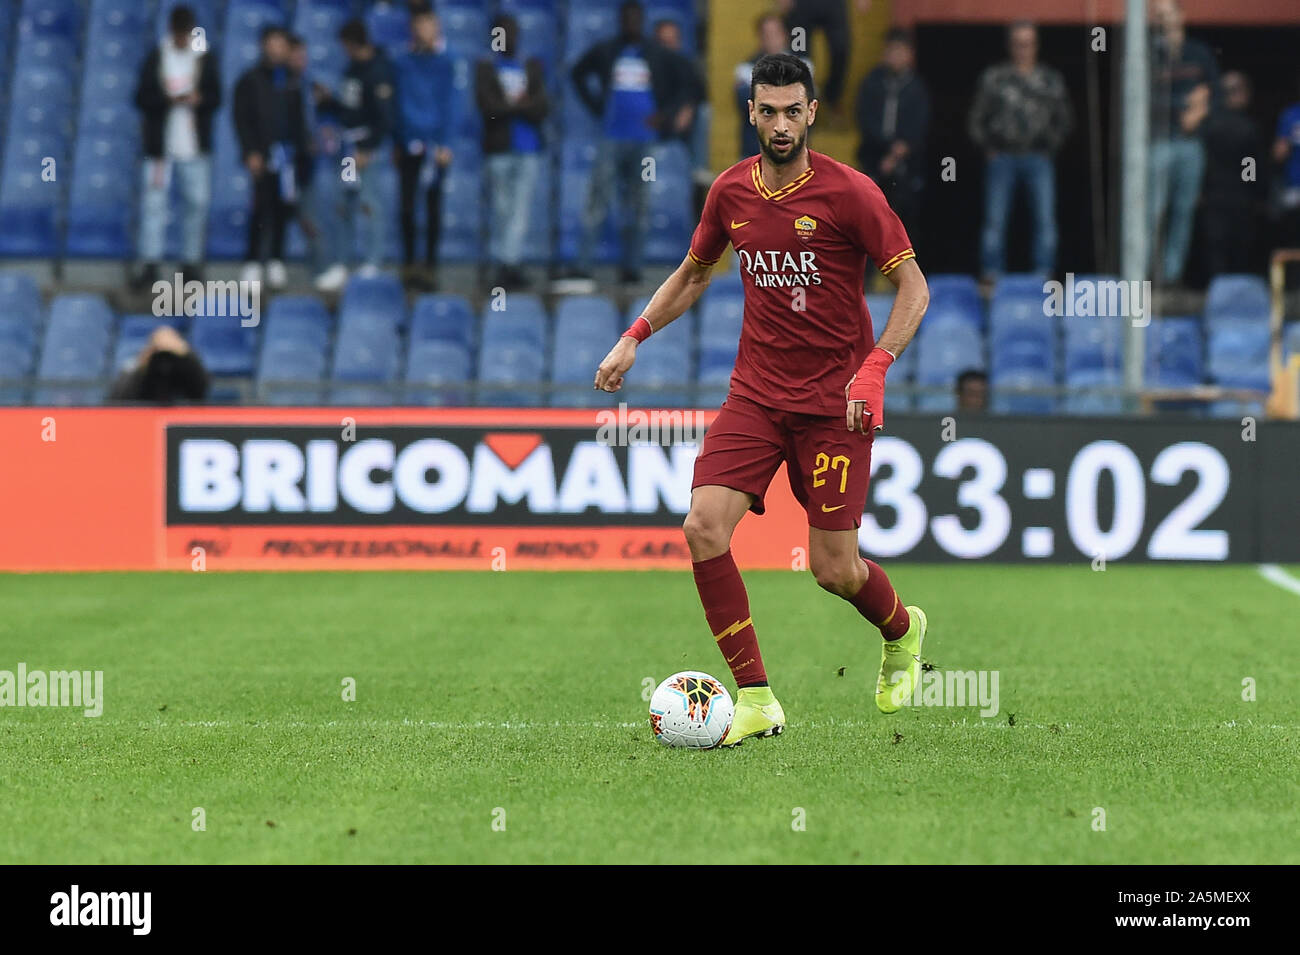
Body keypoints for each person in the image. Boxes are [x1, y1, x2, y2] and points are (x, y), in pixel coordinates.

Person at [593, 54, 931, 746]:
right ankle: (756, 697)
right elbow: (694, 273)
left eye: (792, 110)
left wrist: (876, 367)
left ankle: (902, 629)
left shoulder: (852, 194)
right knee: (702, 527)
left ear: (812, 113)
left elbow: (914, 287)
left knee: (835, 570)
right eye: (767, 110)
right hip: (756, 393)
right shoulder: (730, 193)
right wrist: (635, 334)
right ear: (751, 113)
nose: (780, 124)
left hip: (836, 403)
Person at [568, 0, 689, 286]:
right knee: (597, 202)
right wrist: (598, 106)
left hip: (644, 142)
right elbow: (577, 74)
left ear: (642, 21)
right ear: (621, 21)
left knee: (639, 205)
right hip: (612, 138)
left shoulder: (656, 53)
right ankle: (584, 266)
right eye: (626, 18)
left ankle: (632, 268)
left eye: (636, 18)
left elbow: (686, 82)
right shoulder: (608, 50)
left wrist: (666, 115)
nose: (631, 23)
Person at [968, 21, 1073, 284]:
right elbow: (975, 118)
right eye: (1018, 44)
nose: (1023, 49)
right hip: (1002, 157)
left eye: (1028, 43)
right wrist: (988, 148)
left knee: (1045, 219)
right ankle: (992, 276)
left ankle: (1044, 274)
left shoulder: (1050, 80)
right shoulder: (994, 78)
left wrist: (1051, 147)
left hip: (1038, 157)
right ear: (1010, 46)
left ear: (1036, 45)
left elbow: (1066, 120)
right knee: (995, 220)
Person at [132, 4, 221, 290]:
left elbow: (216, 97)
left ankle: (190, 264)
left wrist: (199, 100)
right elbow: (141, 98)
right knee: (154, 205)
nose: (183, 39)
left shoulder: (204, 59)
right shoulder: (158, 57)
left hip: (194, 147)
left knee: (196, 203)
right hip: (161, 149)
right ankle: (150, 263)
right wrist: (168, 100)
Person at [313, 17, 396, 291]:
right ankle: (342, 261)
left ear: (351, 43)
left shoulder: (379, 71)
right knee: (343, 204)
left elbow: (384, 117)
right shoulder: (351, 69)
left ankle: (373, 261)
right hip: (347, 148)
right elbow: (351, 108)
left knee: (370, 204)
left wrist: (368, 148)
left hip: (365, 149)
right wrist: (329, 102)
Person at [475, 13, 548, 291]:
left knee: (520, 211)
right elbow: (488, 109)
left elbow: (542, 107)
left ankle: (509, 265)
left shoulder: (530, 66)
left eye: (513, 32)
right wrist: (519, 106)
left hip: (527, 147)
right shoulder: (486, 67)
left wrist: (510, 105)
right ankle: (505, 264)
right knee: (502, 210)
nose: (509, 38)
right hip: (498, 149)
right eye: (503, 32)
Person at [233, 25, 310, 290]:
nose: (277, 49)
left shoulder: (292, 80)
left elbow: (298, 120)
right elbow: (241, 119)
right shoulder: (250, 80)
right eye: (272, 43)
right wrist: (250, 151)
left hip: (288, 157)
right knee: (260, 208)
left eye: (281, 44)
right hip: (262, 156)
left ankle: (277, 260)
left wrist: (301, 151)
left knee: (282, 209)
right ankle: (253, 262)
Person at [1148, 0, 1217, 285]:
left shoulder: (1198, 52)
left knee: (1183, 211)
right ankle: (1144, 274)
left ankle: (1171, 276)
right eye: (1159, 15)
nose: (1165, 20)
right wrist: (1186, 104)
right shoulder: (1150, 53)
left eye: (1169, 14)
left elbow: (1214, 91)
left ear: (1181, 16)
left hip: (1190, 143)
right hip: (1158, 142)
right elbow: (1141, 97)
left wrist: (1200, 108)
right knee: (1151, 209)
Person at [392, 3, 457, 292]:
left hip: (435, 147)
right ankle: (408, 265)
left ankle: (430, 267)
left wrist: (446, 142)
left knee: (433, 206)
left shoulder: (448, 60)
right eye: (419, 26)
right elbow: (397, 102)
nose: (424, 31)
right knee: (406, 207)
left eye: (428, 25)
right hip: (409, 143)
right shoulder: (403, 60)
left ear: (437, 27)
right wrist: (398, 139)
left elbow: (453, 103)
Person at [856, 28, 930, 247]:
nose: (896, 56)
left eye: (901, 51)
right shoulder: (871, 83)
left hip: (908, 164)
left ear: (909, 54)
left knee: (906, 220)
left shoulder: (917, 88)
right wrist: (885, 151)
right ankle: (867, 277)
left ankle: (907, 275)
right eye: (892, 50)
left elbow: (920, 125)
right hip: (873, 158)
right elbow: (865, 119)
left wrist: (899, 152)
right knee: (867, 219)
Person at [1201, 72, 1262, 278]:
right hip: (1238, 197)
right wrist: (1253, 191)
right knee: (1238, 250)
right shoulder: (1248, 128)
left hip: (1215, 195)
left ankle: (1218, 289)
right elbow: (1250, 167)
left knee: (1217, 249)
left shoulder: (1210, 125)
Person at [734, 14, 812, 161]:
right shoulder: (745, 69)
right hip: (754, 149)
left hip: (795, 149)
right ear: (760, 38)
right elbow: (744, 102)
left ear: (785, 35)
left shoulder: (804, 65)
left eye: (776, 33)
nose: (772, 38)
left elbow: (807, 99)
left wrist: (765, 90)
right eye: (767, 34)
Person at [778, 0, 871, 119]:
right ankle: (801, 100)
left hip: (833, 4)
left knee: (840, 48)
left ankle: (832, 96)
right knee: (799, 53)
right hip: (801, 6)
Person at [108, 326, 209, 404]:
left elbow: (201, 389)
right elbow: (118, 398)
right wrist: (142, 363)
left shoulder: (186, 369)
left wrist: (186, 354)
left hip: (179, 418)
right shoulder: (137, 366)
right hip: (142, 417)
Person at [1272, 77, 1300, 258]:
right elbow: (1278, 154)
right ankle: (1292, 280)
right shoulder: (1291, 115)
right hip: (1294, 184)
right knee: (1293, 234)